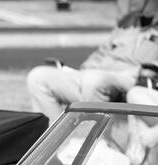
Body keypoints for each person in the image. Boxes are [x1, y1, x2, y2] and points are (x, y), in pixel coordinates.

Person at [27, 0, 158, 119]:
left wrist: (143, 71)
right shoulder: (128, 21)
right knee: (39, 77)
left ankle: (94, 142)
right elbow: (101, 53)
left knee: (93, 80)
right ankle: (54, 141)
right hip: (97, 75)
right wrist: (80, 71)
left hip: (131, 77)